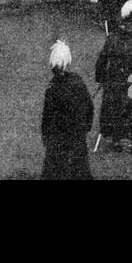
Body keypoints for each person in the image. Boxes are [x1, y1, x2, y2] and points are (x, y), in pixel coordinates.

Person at [94, 0, 132, 154]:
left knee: (116, 108)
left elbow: (102, 60)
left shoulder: (111, 39)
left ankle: (117, 140)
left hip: (114, 79)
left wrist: (100, 77)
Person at [41, 40, 94, 180]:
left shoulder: (52, 89)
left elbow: (47, 117)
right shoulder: (79, 82)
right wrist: (86, 126)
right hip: (77, 136)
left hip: (58, 139)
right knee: (80, 169)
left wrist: (46, 135)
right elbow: (89, 107)